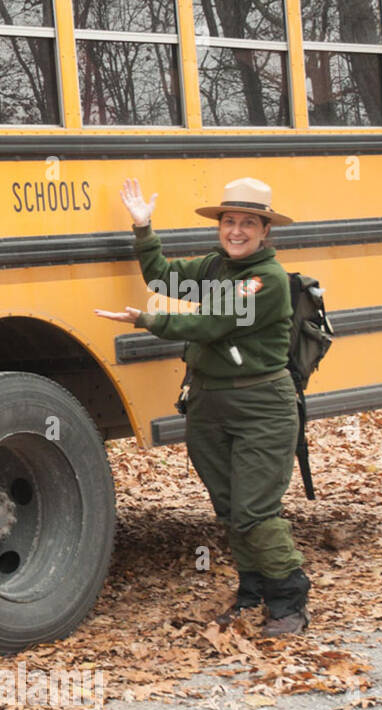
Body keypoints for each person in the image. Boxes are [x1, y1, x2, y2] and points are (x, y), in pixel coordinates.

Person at [96, 177, 311, 636]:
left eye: (248, 223)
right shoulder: (215, 267)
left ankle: (289, 599)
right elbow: (161, 278)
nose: (236, 231)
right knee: (231, 507)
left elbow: (212, 322)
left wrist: (148, 319)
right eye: (229, 221)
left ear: (265, 231)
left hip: (261, 406)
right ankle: (252, 590)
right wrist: (143, 227)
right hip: (210, 402)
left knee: (255, 510)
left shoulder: (266, 280)